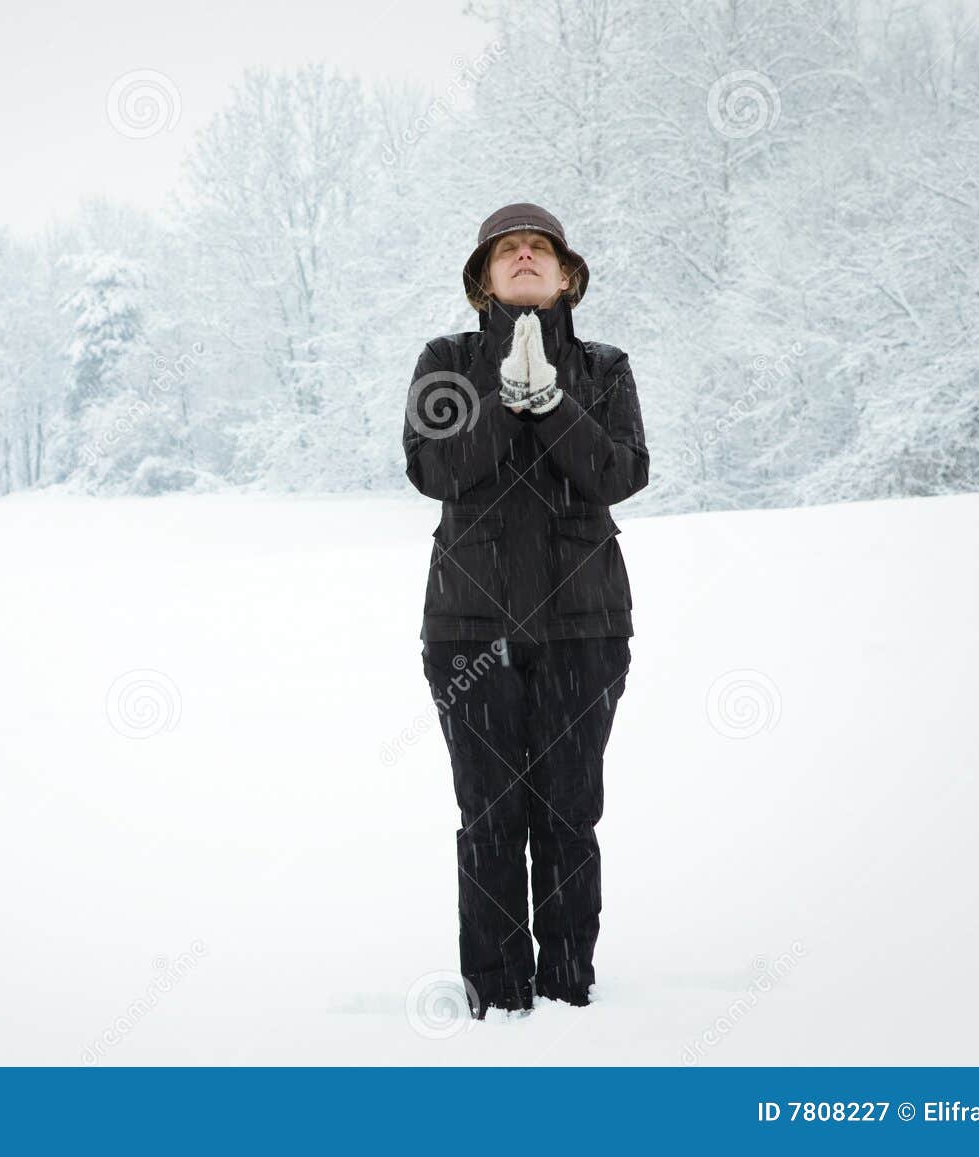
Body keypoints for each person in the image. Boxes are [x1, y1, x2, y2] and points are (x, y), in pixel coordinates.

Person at [402, 202, 649, 1020]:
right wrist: (504, 397)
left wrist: (553, 403)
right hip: (471, 629)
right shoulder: (444, 362)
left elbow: (618, 473)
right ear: (483, 279)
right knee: (491, 816)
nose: (525, 256)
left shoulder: (606, 369)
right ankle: (499, 997)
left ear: (568, 275)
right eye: (507, 249)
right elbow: (437, 472)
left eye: (541, 247)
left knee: (570, 814)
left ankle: (571, 989)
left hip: (586, 628)